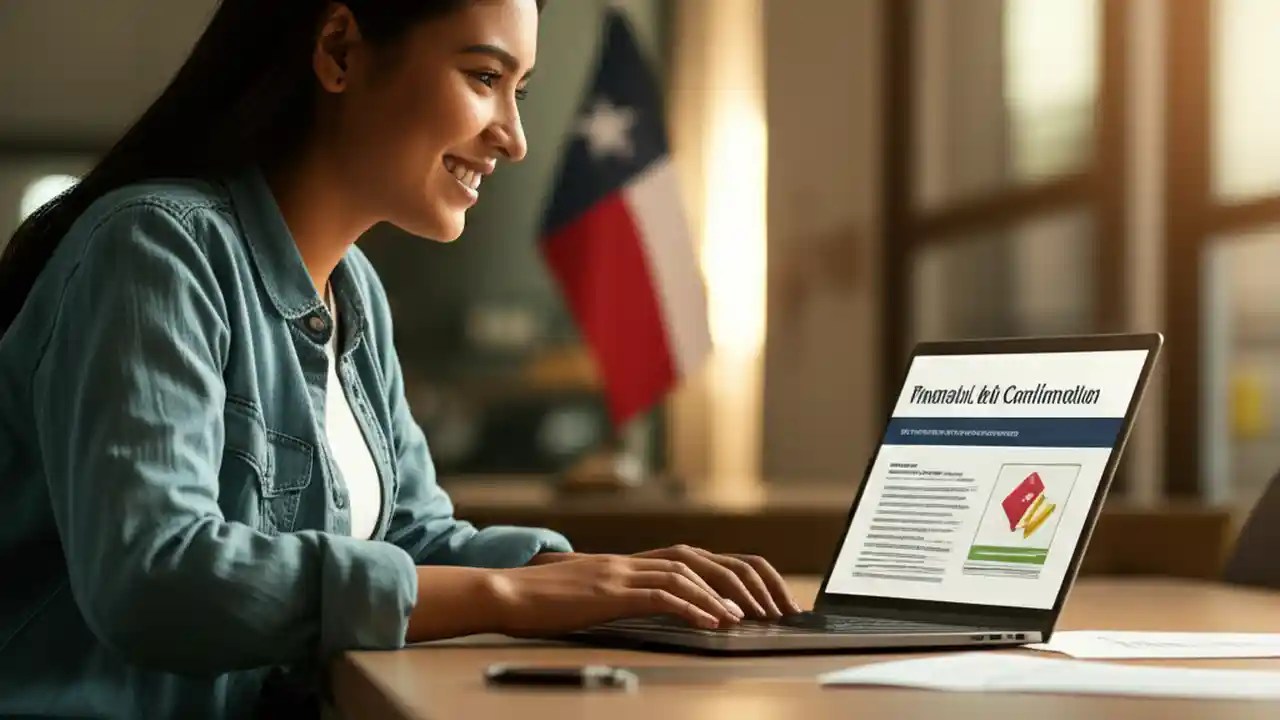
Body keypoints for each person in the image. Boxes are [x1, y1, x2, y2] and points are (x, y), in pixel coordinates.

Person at [0, 1, 799, 717]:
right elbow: (154, 578)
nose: (514, 138)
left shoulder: (356, 292)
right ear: (340, 50)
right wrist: (506, 594)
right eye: (484, 77)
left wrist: (598, 582)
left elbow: (409, 536)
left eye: (519, 92)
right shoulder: (155, 249)